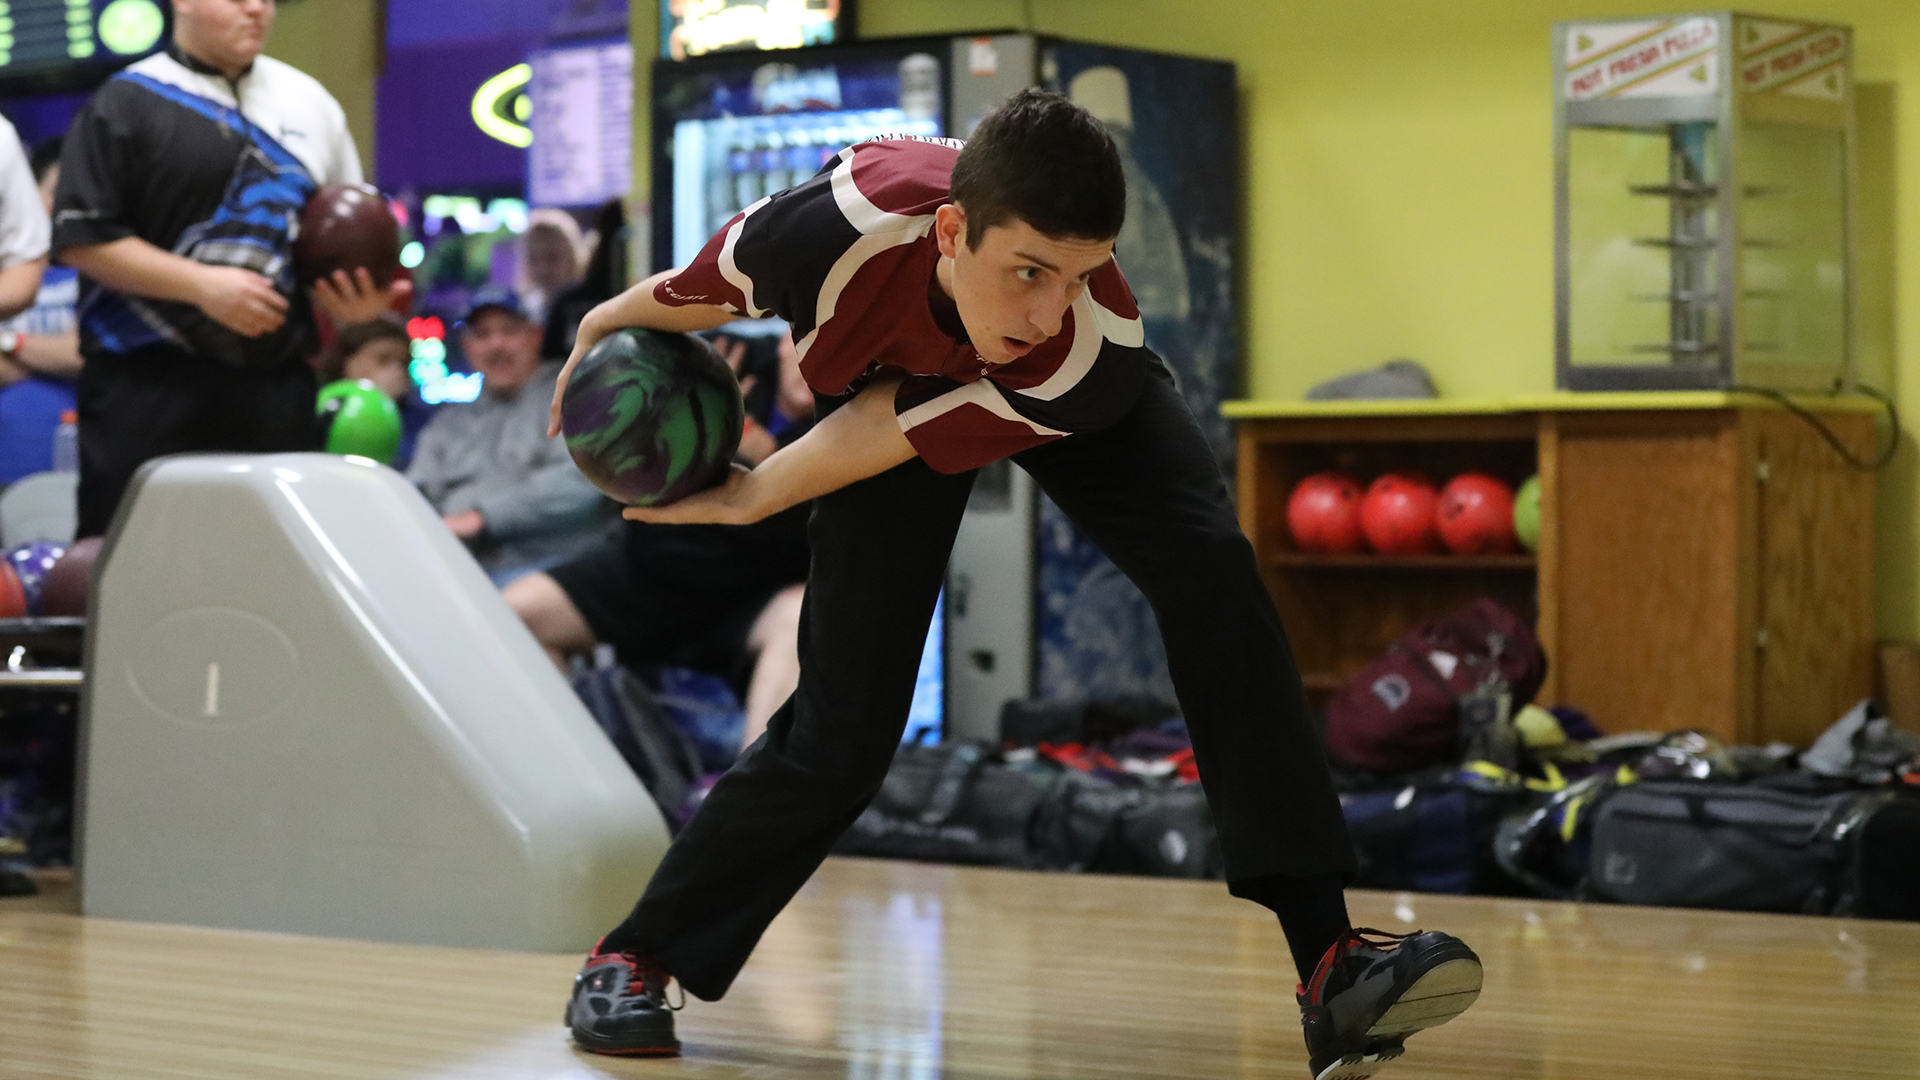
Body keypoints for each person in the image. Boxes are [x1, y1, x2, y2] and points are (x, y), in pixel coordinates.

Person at [550, 92, 1482, 1080]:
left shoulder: (1077, 344)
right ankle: (636, 956)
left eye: (1078, 275)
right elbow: (693, 290)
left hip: (1024, 407)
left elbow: (894, 430)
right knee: (846, 727)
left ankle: (1333, 965)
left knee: (1213, 570)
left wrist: (751, 499)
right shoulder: (834, 224)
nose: (1046, 308)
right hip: (885, 375)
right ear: (952, 230)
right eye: (1028, 271)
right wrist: (596, 334)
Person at [51, 0, 403, 538]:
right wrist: (202, 287)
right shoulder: (123, 100)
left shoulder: (311, 103)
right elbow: (83, 240)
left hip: (274, 385)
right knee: (134, 565)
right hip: (142, 384)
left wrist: (357, 305)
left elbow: (342, 243)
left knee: (269, 568)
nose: (257, 9)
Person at [505, 328, 814, 753]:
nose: (815, 365)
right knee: (515, 615)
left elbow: (830, 533)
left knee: (803, 618)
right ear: (784, 340)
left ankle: (751, 806)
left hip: (752, 593)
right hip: (649, 570)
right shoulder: (722, 358)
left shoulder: (854, 421)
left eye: (837, 355)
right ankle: (584, 774)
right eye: (806, 345)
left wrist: (766, 460)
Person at [407, 286, 607, 584]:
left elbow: (583, 482)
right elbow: (415, 490)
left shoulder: (574, 397)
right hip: (458, 571)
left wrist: (482, 518)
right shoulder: (448, 424)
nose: (496, 344)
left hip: (551, 571)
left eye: (509, 330)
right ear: (468, 346)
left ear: (535, 335)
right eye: (482, 334)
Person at [0, 136, 72, 484]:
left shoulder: (102, 275)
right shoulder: (7, 278)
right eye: (55, 191)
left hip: (81, 456)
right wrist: (50, 357)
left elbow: (82, 353)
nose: (65, 205)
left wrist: (8, 342)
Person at [314, 314, 433, 467]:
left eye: (403, 363)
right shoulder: (316, 405)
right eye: (384, 359)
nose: (396, 371)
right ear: (347, 359)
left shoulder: (420, 420)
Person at [519, 208, 585, 328]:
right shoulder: (524, 311)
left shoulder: (588, 309)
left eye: (553, 258)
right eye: (533, 258)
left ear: (573, 258)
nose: (542, 268)